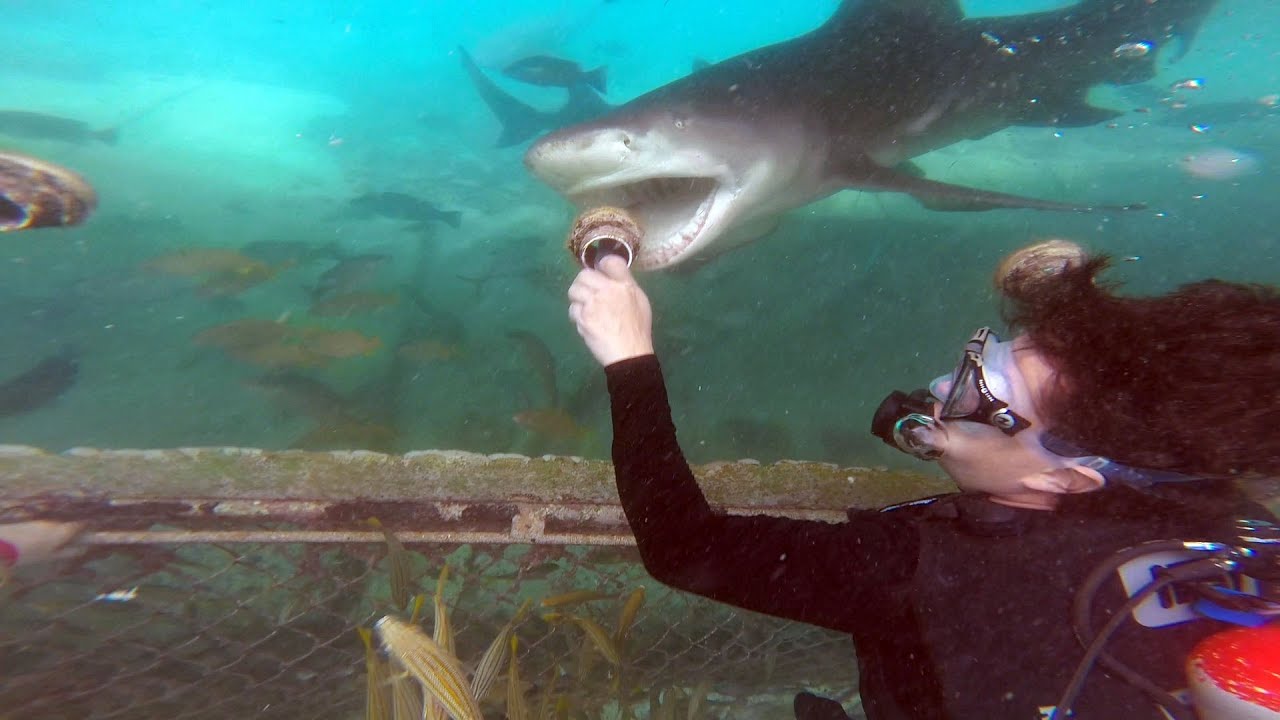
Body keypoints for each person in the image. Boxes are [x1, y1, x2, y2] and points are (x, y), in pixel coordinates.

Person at [566, 239, 1280, 720]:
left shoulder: (928, 570)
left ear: (1067, 481)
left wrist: (629, 355)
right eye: (981, 356)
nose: (942, 384)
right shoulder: (1220, 506)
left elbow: (683, 546)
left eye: (980, 397)